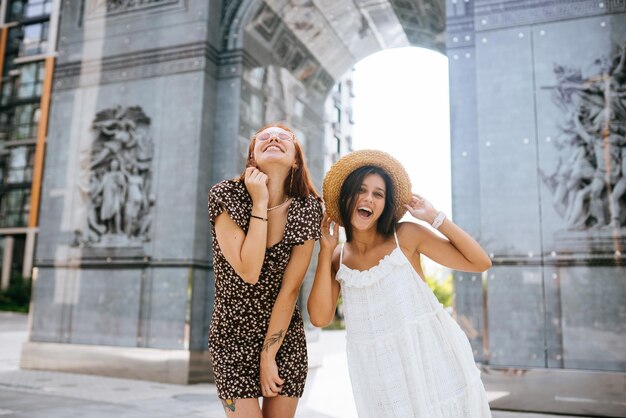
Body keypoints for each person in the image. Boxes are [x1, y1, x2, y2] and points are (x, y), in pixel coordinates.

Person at [308, 149, 493, 418]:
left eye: (378, 194)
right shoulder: (338, 258)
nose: (368, 199)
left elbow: (480, 262)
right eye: (361, 190)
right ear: (347, 197)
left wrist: (434, 218)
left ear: (384, 205)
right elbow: (320, 317)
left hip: (435, 367)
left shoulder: (405, 237)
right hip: (383, 382)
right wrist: (325, 251)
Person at [208, 123, 322, 418]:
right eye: (265, 136)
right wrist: (259, 199)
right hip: (232, 337)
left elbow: (291, 289)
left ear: (296, 158)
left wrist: (268, 354)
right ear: (252, 158)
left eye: (284, 136)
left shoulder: (307, 208)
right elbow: (249, 270)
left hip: (282, 338)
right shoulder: (226, 196)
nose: (274, 137)